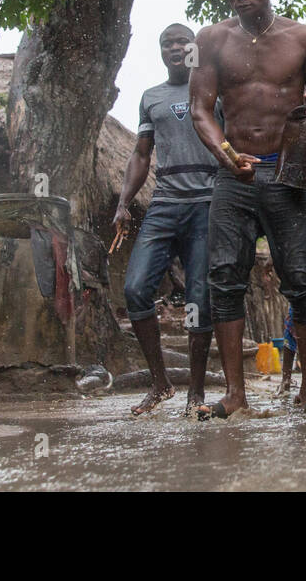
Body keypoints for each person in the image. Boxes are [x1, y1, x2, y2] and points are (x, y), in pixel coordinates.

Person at [189, 0, 306, 418]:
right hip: (234, 173)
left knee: (303, 281)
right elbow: (200, 111)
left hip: (286, 172)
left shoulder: (303, 37)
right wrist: (228, 157)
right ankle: (235, 394)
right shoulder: (211, 39)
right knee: (225, 280)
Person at [114, 24, 217, 416]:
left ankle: (196, 393)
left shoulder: (212, 89)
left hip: (206, 204)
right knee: (136, 288)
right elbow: (141, 155)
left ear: (194, 48)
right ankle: (160, 383)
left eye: (181, 42)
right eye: (166, 43)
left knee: (199, 299)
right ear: (160, 52)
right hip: (164, 202)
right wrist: (124, 202)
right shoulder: (151, 97)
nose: (174, 48)